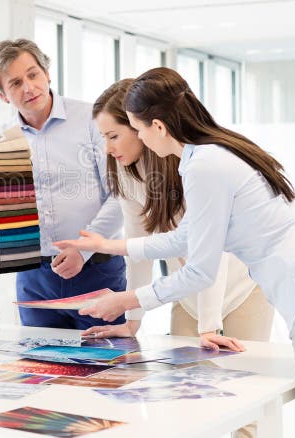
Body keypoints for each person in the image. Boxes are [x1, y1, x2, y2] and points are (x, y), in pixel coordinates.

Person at [56, 67, 295, 438]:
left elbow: (200, 270)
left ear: (157, 126)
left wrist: (127, 299)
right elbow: (185, 238)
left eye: (137, 129)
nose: (139, 139)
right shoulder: (218, 152)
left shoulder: (202, 168)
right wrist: (107, 245)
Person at [89, 79, 275, 438]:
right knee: (185, 402)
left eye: (113, 136)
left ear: (141, 126)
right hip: (189, 295)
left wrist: (209, 325)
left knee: (244, 405)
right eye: (103, 138)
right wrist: (132, 322)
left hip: (243, 290)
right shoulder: (126, 175)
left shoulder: (193, 167)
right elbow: (139, 251)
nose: (108, 148)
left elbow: (213, 256)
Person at [0, 38, 125, 329]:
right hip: (35, 279)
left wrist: (82, 249)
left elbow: (121, 195)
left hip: (97, 269)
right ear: (3, 96)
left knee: (107, 356)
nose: (29, 87)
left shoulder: (92, 120)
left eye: (33, 74)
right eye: (15, 83)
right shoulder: (3, 141)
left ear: (47, 74)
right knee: (38, 358)